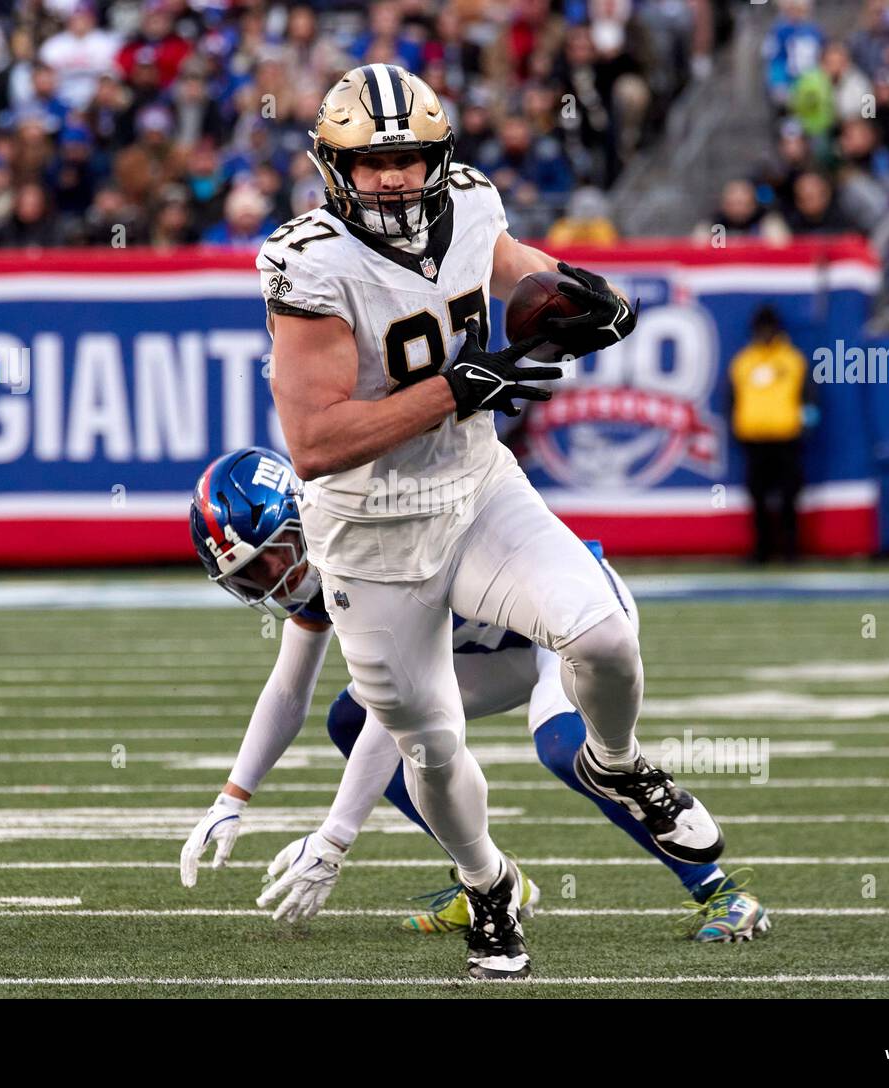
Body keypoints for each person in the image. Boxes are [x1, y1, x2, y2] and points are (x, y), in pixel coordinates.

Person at [258, 65, 720, 980]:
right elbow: (313, 443)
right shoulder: (308, 264)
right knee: (432, 745)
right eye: (373, 161)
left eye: (410, 158)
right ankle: (490, 885)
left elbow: (518, 270)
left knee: (604, 638)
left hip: (475, 489)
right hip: (369, 529)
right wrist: (457, 387)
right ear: (331, 165)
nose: (393, 177)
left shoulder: (469, 201)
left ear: (441, 157)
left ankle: (616, 762)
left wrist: (587, 294)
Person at [178, 447, 768, 943]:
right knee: (351, 718)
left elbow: (400, 707)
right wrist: (233, 796)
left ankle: (720, 890)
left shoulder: (369, 542)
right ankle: (488, 877)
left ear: (298, 518)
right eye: (250, 578)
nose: (272, 581)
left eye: (274, 558)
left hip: (565, 624)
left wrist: (334, 839)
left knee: (565, 747)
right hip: (483, 647)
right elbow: (290, 689)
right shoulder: (325, 564)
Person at [727, 306, 812, 563]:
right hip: (754, 439)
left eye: (769, 328)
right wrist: (737, 426)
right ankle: (762, 550)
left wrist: (806, 427)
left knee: (789, 496)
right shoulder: (743, 362)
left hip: (786, 437)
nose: (765, 333)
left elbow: (809, 398)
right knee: (757, 497)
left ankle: (790, 550)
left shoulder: (792, 360)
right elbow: (732, 399)